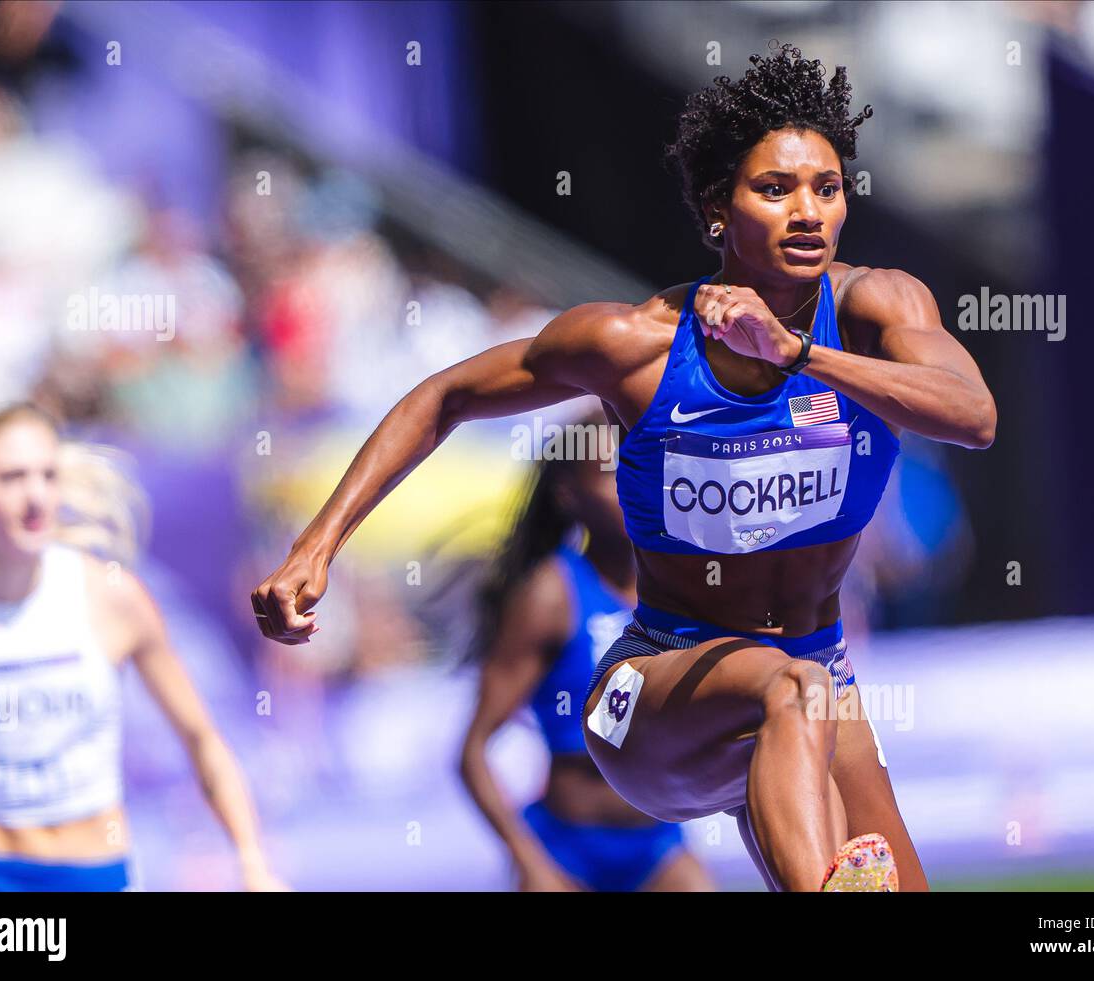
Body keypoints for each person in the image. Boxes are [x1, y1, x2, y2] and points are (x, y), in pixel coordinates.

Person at [251, 42, 995, 892]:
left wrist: (797, 357)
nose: (808, 212)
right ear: (718, 208)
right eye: (774, 188)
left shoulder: (877, 310)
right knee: (786, 689)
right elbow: (444, 396)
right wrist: (317, 546)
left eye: (827, 188)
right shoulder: (635, 346)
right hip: (653, 690)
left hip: (817, 677)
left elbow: (972, 417)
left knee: (814, 716)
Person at [0, 403, 284, 891]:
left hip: (99, 875)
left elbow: (202, 739)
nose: (35, 497)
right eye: (11, 478)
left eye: (47, 476)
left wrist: (252, 862)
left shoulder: (111, 597)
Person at [458, 413, 713, 891]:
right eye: (609, 471)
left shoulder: (681, 588)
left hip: (658, 847)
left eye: (636, 465)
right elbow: (472, 753)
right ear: (568, 496)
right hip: (564, 853)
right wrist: (529, 862)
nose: (630, 483)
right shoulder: (551, 595)